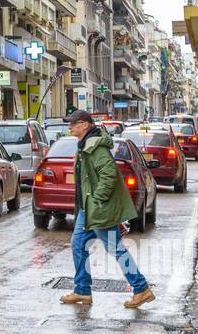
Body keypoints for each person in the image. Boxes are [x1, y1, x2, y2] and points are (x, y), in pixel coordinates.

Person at [61, 111, 155, 309]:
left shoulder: (96, 148)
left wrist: (97, 200)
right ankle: (82, 290)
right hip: (88, 209)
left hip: (97, 209)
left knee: (115, 248)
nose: (70, 128)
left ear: (85, 125)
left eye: (73, 124)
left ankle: (141, 288)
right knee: (78, 244)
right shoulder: (85, 145)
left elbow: (109, 175)